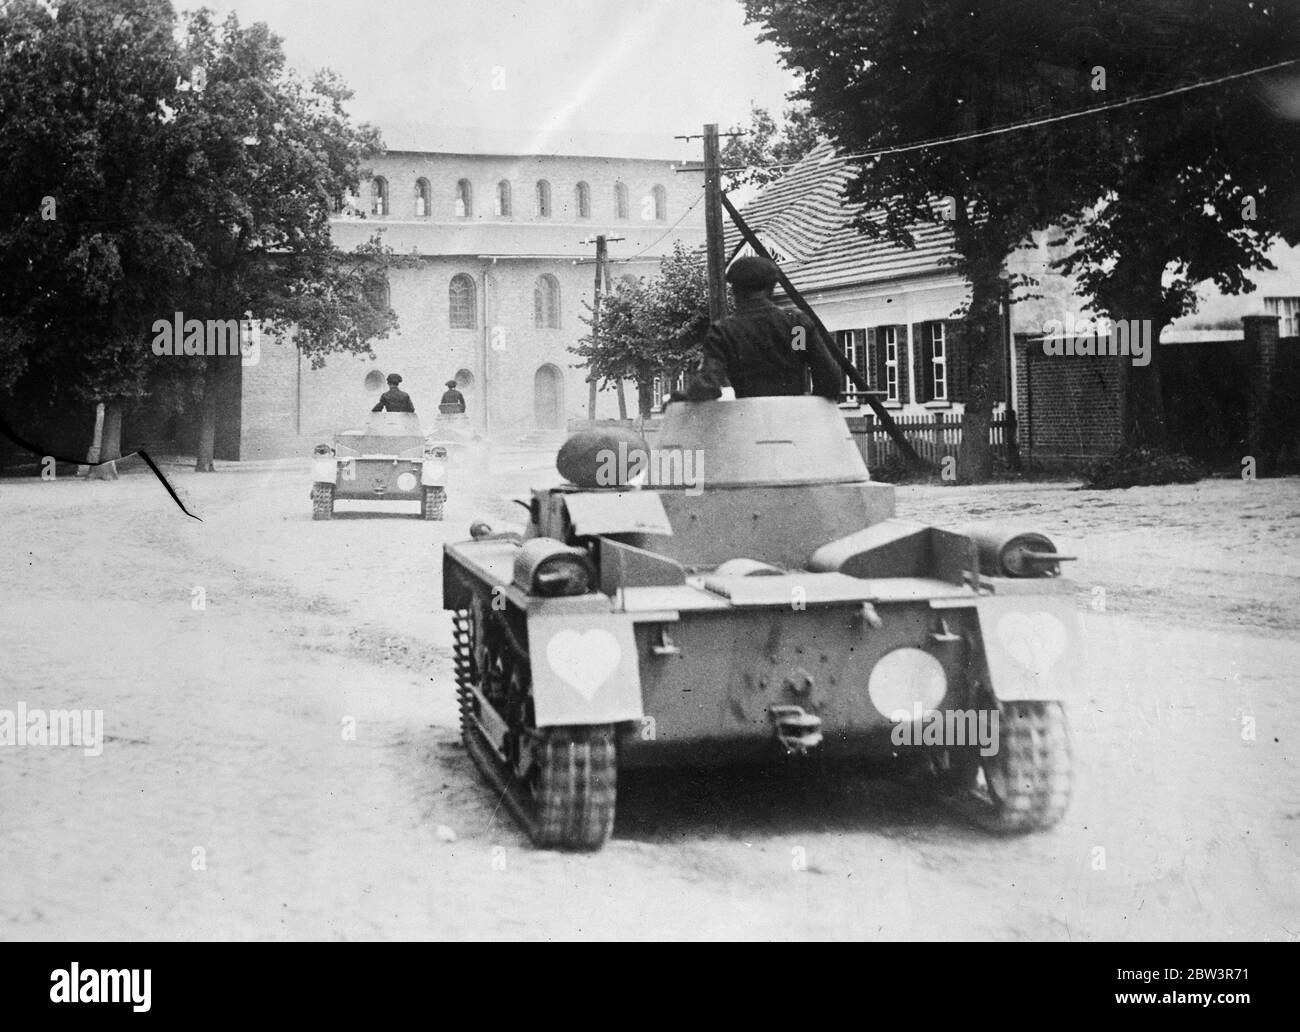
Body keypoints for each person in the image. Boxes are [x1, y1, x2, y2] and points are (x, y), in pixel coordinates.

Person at [675, 256, 842, 402]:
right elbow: (829, 377)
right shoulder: (796, 326)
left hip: (749, 424)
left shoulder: (724, 332)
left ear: (734, 290)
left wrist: (682, 397)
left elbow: (709, 385)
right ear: (771, 288)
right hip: (793, 422)